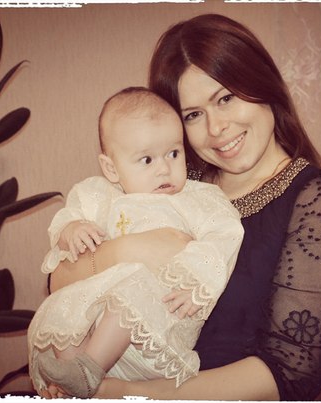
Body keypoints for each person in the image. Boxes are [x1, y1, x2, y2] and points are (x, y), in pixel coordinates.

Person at [43, 13, 321, 401]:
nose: (215, 128)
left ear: (262, 84)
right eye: (193, 115)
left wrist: (124, 393)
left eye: (225, 98)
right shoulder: (173, 185)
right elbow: (57, 281)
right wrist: (127, 250)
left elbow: (291, 374)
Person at [27, 86, 243, 398]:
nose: (164, 168)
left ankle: (87, 370)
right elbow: (67, 221)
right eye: (146, 159)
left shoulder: (197, 198)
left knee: (133, 287)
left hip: (157, 321)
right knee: (64, 305)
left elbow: (224, 235)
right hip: (98, 326)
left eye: (174, 153)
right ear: (111, 168)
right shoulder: (99, 194)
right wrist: (71, 229)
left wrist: (197, 283)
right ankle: (72, 377)